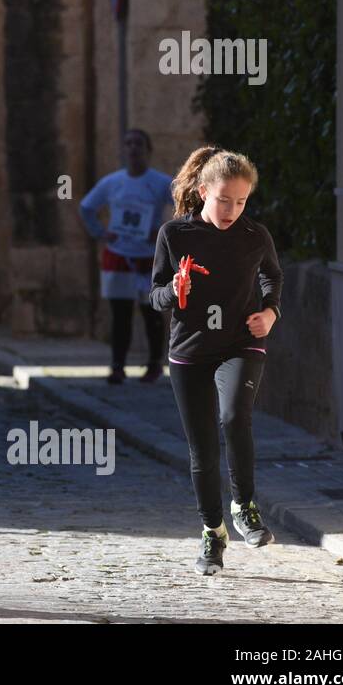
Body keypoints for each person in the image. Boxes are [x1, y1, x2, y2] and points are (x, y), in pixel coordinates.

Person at [151, 147, 282, 575]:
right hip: (189, 351)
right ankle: (213, 532)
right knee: (202, 450)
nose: (232, 209)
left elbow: (272, 275)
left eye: (241, 201)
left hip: (241, 342)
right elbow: (154, 297)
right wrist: (175, 289)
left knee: (234, 416)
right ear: (204, 191)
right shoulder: (175, 235)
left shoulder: (254, 235)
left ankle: (244, 506)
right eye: (224, 199)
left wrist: (270, 312)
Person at [79, 129, 174, 384]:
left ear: (148, 149)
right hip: (118, 256)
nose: (133, 149)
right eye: (128, 143)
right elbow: (86, 207)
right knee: (119, 314)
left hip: (149, 259)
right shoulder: (112, 182)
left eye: (139, 144)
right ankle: (117, 366)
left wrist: (165, 233)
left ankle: (155, 364)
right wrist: (100, 233)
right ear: (123, 149)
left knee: (151, 314)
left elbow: (185, 204)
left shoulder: (161, 182)